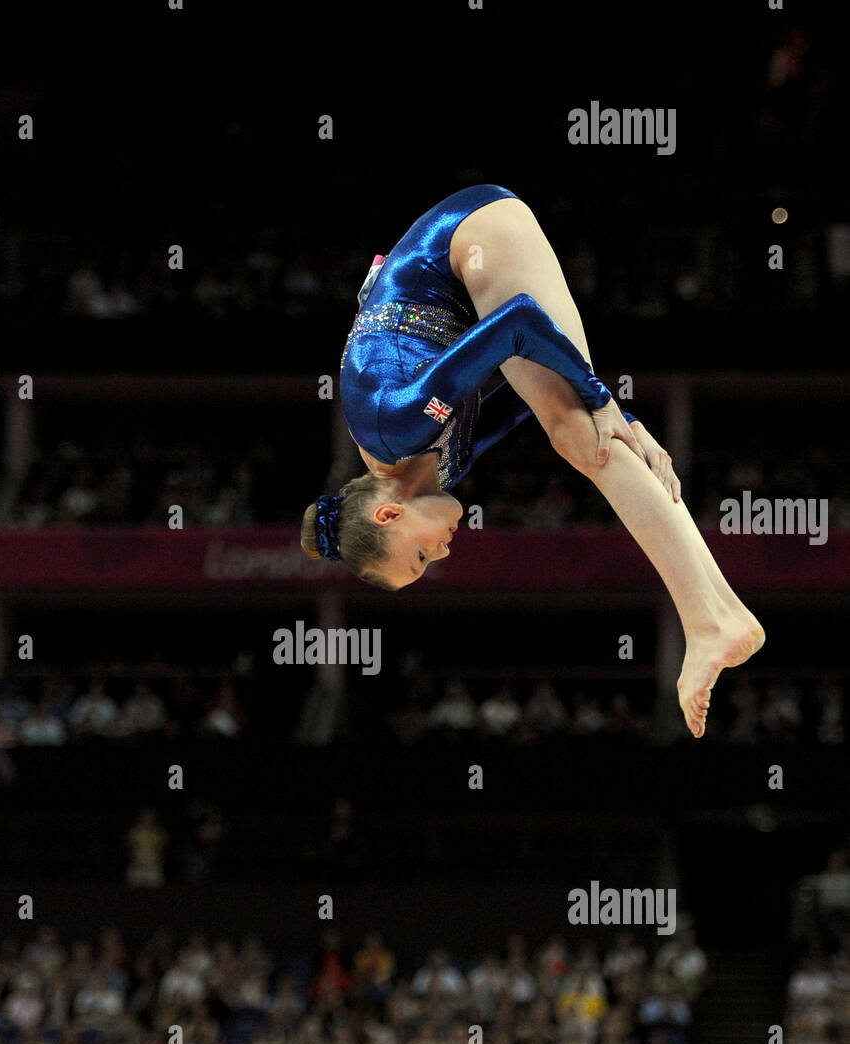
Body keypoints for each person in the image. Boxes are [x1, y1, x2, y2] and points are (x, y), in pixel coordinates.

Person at [300, 186, 764, 738]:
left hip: (467, 231)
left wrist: (602, 400)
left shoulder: (394, 423)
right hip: (468, 274)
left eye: (421, 555)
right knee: (574, 430)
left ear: (388, 516)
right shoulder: (440, 466)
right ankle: (717, 611)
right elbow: (528, 396)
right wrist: (623, 421)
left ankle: (711, 620)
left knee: (576, 430)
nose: (443, 552)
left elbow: (518, 324)